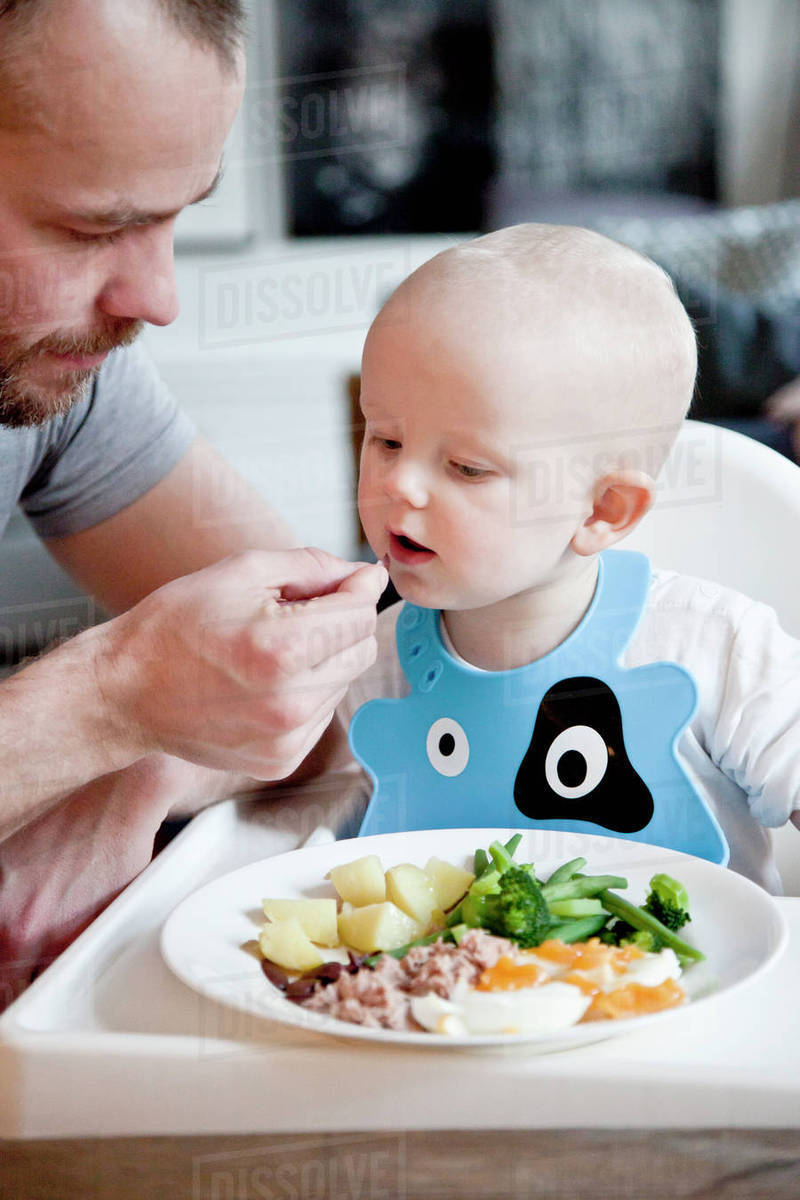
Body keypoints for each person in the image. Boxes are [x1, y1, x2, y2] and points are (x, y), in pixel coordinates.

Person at [0, 0, 386, 1001]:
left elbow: (350, 659)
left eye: (179, 214)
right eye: (95, 226)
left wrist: (147, 761)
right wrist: (106, 698)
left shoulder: (55, 374)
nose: (158, 296)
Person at [333, 223, 800, 893]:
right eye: (385, 440)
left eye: (466, 467)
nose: (399, 484)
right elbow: (281, 822)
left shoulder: (713, 648)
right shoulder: (367, 666)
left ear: (603, 511)